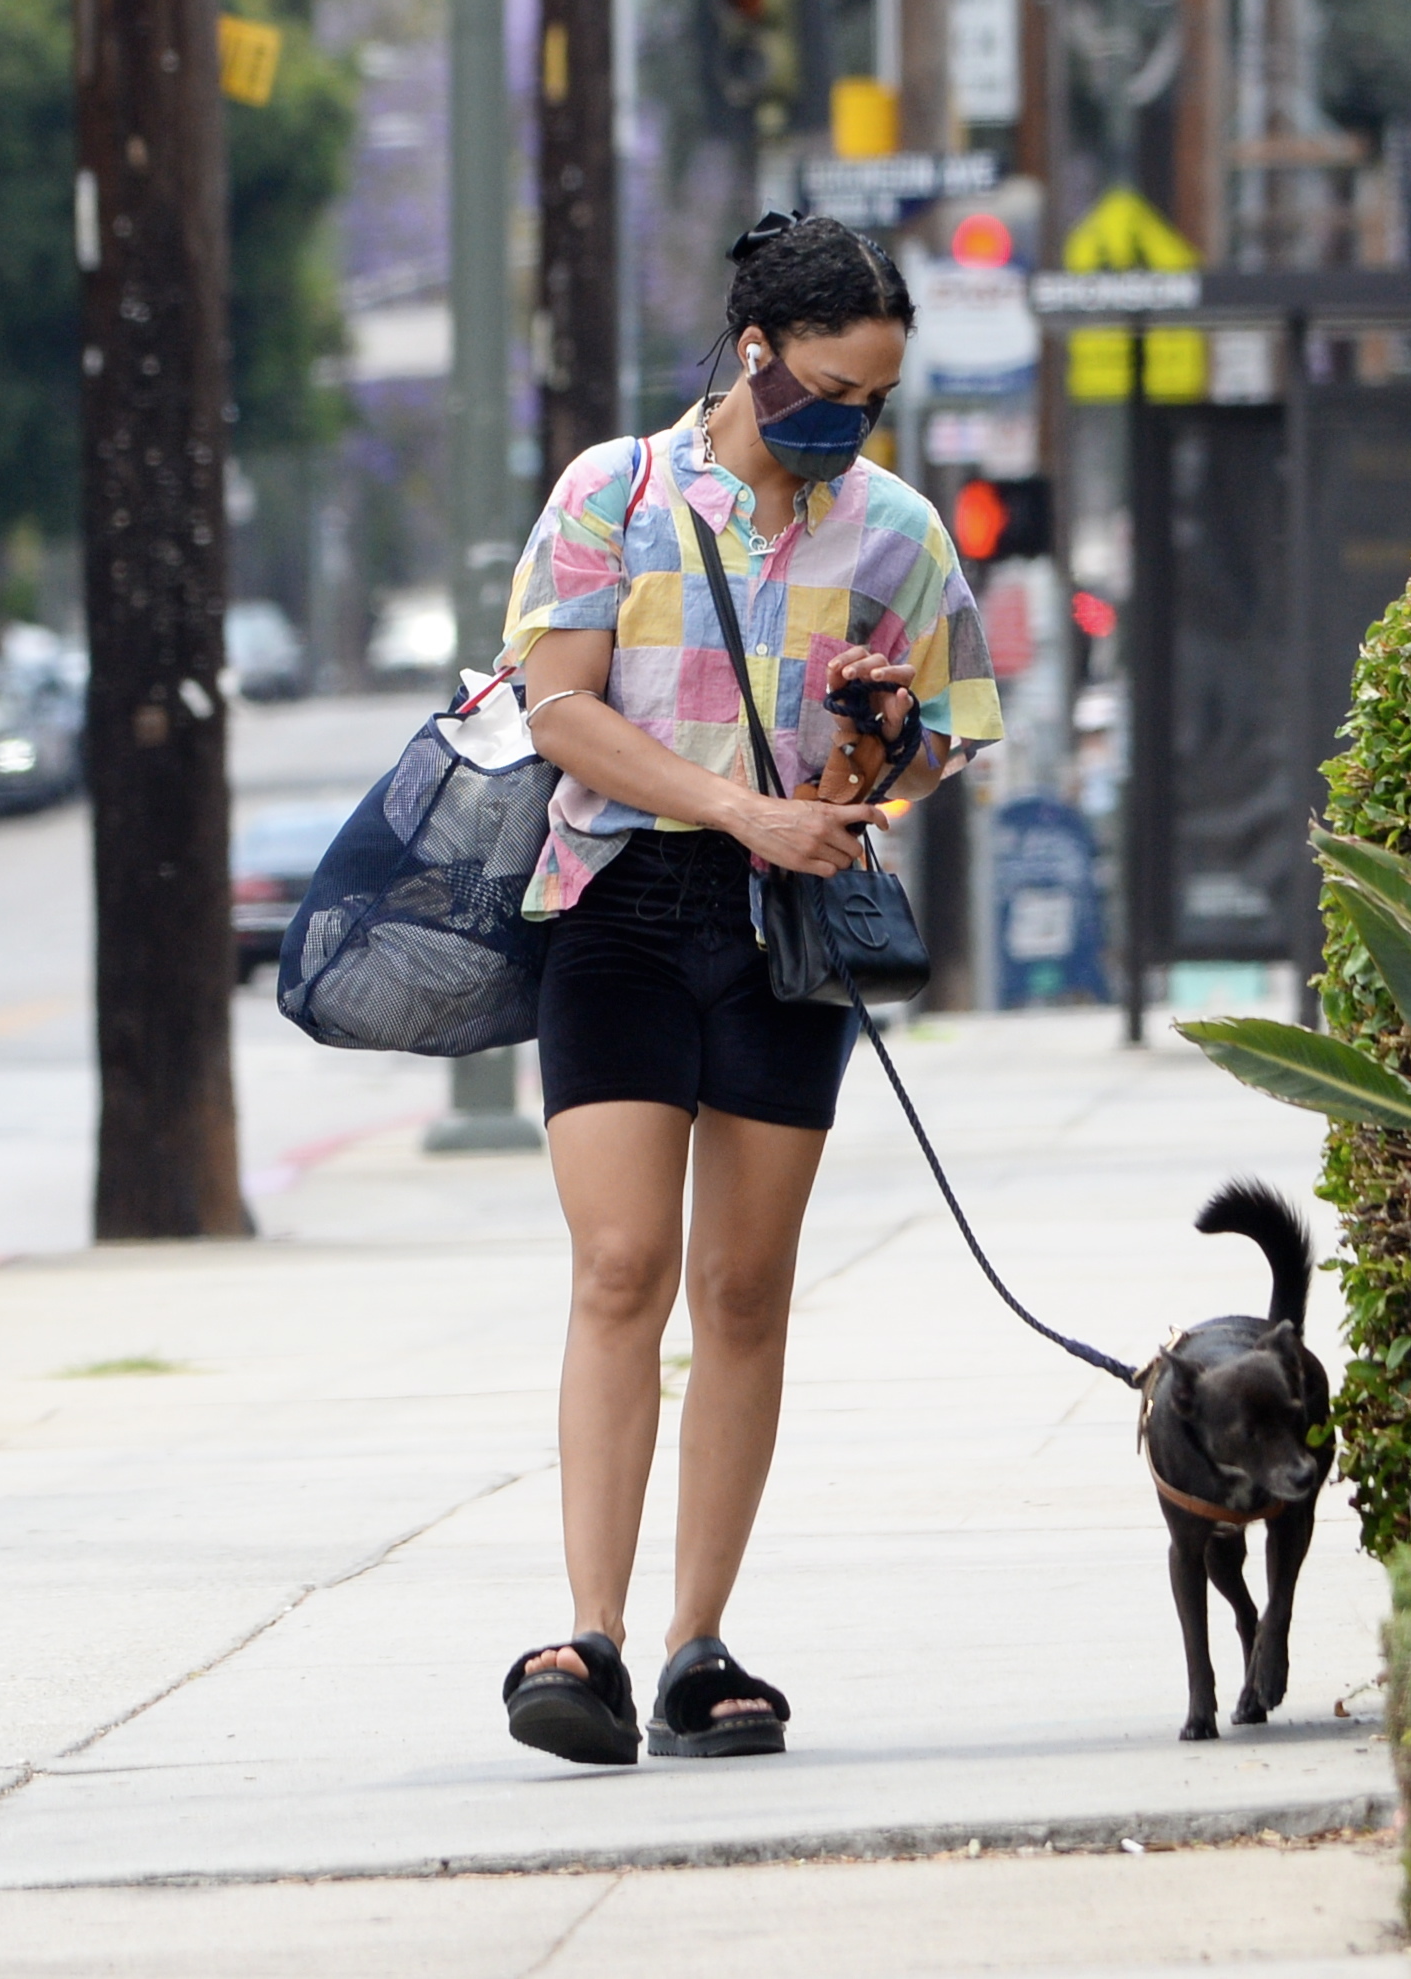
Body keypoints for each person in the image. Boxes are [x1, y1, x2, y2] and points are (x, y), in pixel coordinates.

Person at [497, 212, 1002, 1765]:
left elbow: (959, 730)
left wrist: (886, 739)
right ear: (755, 352)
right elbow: (557, 707)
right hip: (623, 903)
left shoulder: (897, 531)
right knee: (621, 1267)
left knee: (742, 1291)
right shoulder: (616, 493)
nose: (851, 423)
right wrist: (738, 808)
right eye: (832, 388)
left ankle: (695, 1647)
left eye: (878, 397)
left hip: (793, 923)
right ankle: (582, 1634)